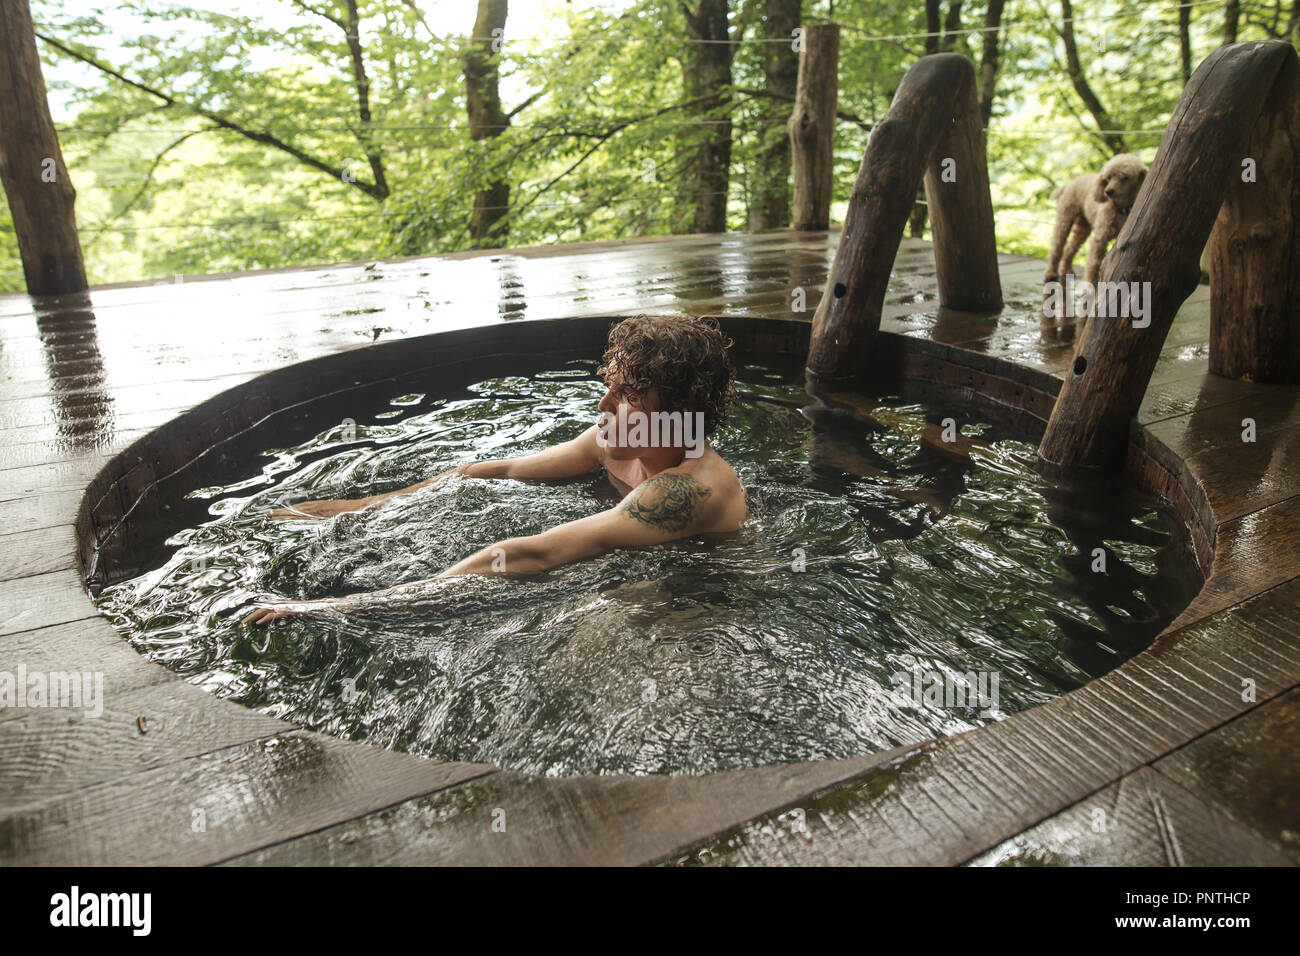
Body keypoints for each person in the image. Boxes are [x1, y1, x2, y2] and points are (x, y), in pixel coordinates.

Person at [241, 313, 745, 626]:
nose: (604, 403)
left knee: (598, 630)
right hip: (628, 546)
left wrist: (354, 608)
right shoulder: (617, 443)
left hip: (696, 591)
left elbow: (535, 552)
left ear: (680, 416)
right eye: (610, 385)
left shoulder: (688, 492)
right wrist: (356, 508)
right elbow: (498, 471)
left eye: (628, 396)